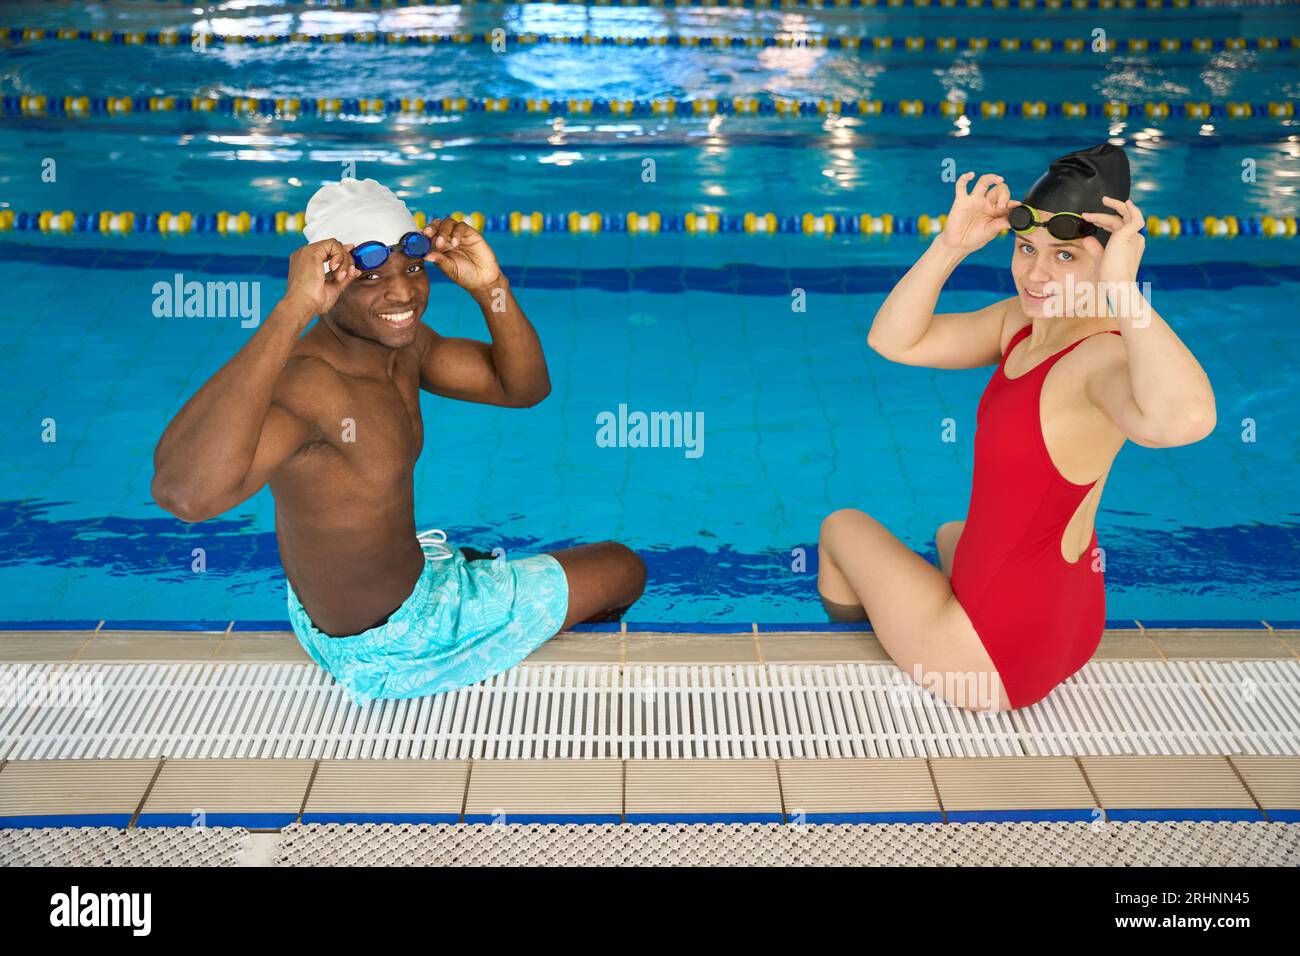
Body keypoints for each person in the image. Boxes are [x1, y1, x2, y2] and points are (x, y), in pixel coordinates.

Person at [152, 178, 646, 704]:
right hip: (394, 641)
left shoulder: (401, 348)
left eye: (412, 269)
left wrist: (489, 284)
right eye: (372, 279)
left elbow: (522, 388)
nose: (403, 293)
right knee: (622, 566)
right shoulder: (309, 388)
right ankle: (499, 649)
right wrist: (292, 309)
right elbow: (188, 496)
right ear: (330, 284)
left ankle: (476, 601)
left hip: (369, 606)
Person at [817, 145, 1216, 711]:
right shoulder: (1023, 324)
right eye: (1027, 248)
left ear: (1110, 260)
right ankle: (952, 621)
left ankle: (832, 648)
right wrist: (950, 246)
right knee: (953, 532)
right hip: (1070, 624)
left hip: (987, 665)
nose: (1035, 273)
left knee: (842, 527)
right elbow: (894, 340)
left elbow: (1187, 421)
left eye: (1066, 257)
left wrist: (1125, 289)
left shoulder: (1099, 361)